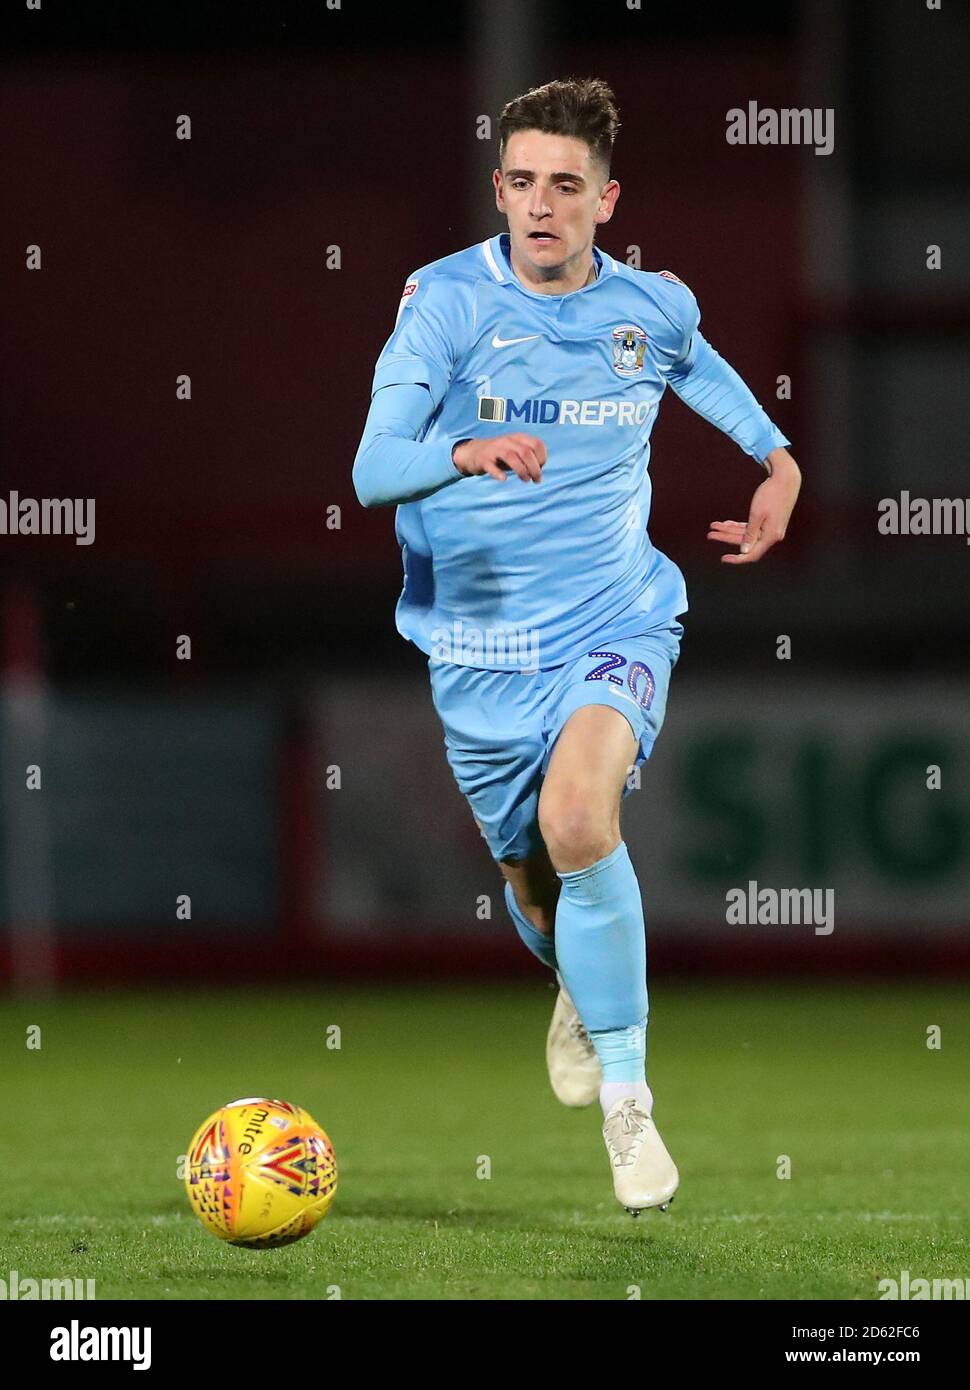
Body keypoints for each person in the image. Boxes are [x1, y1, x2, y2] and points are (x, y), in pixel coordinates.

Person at [353, 77, 801, 1215]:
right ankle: (573, 978)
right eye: (519, 182)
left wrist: (777, 461)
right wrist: (463, 453)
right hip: (476, 648)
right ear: (498, 187)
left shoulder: (648, 307)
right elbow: (369, 470)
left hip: (617, 617)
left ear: (607, 197)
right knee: (528, 874)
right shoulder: (443, 306)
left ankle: (629, 1103)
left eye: (565, 185)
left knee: (577, 820)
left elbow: (695, 367)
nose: (539, 205)